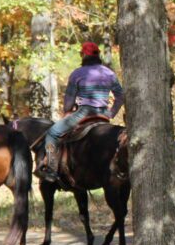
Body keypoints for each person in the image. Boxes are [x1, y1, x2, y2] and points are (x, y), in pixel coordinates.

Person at [37, 42, 124, 182]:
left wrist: (68, 110)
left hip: (84, 113)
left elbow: (69, 102)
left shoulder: (77, 74)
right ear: (98, 55)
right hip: (102, 114)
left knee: (52, 133)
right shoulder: (109, 73)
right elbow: (120, 96)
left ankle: (51, 169)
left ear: (83, 55)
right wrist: (111, 113)